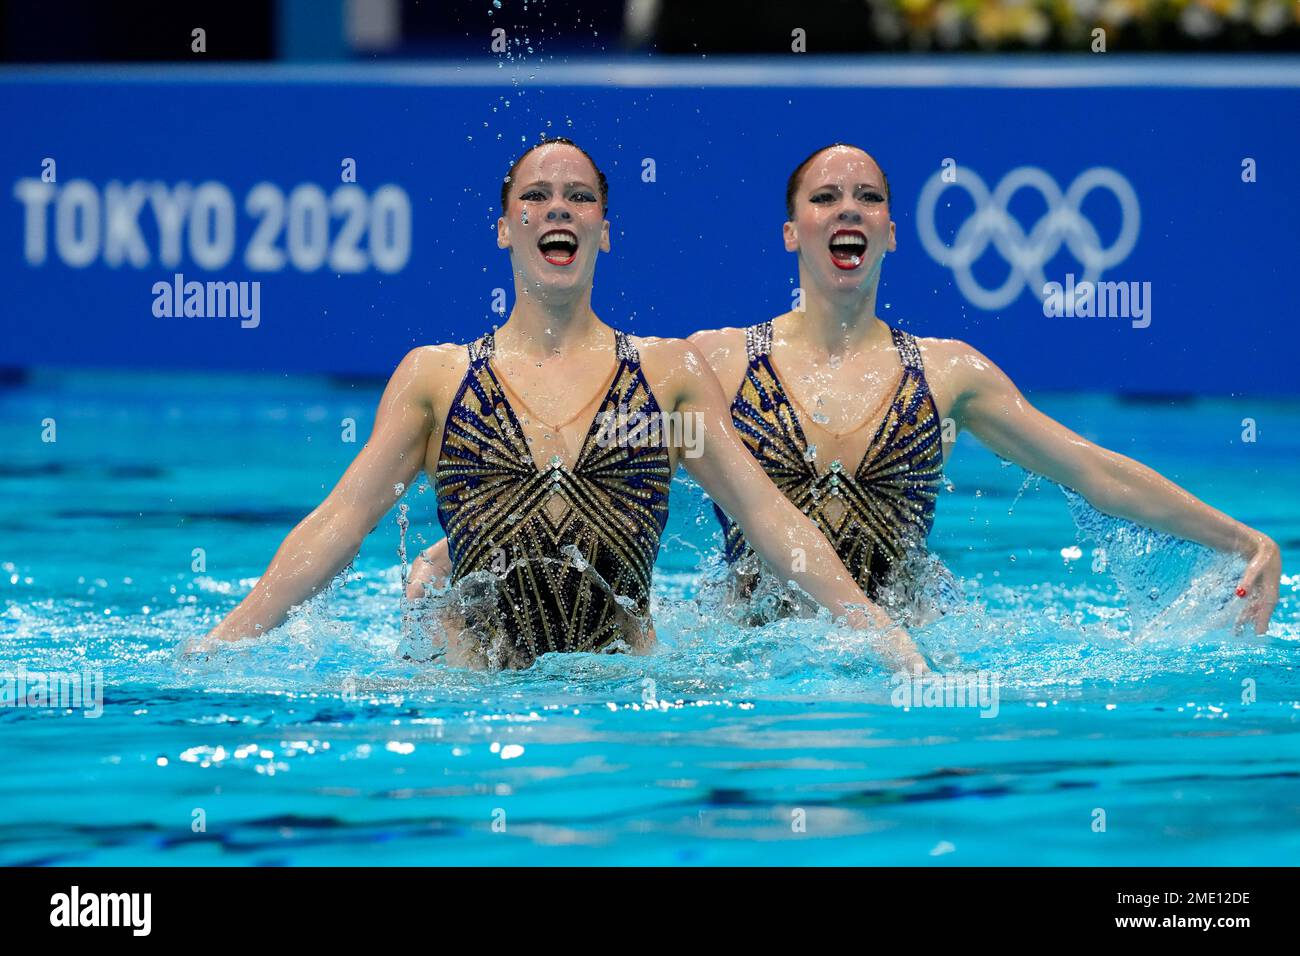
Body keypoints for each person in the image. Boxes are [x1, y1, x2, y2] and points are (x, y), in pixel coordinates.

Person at [200, 138, 928, 672]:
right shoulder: (435, 378)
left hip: (627, 702)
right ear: (504, 227)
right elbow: (340, 521)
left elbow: (766, 515)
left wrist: (878, 632)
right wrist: (226, 643)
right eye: (537, 196)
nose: (560, 209)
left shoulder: (667, 374)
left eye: (581, 198)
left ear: (604, 232)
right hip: (473, 706)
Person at [688, 143, 1280, 633]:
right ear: (791, 233)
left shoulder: (948, 374)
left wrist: (1245, 540)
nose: (850, 209)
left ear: (891, 233)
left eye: (868, 198)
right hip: (756, 662)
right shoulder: (720, 362)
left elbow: (1094, 472)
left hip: (908, 663)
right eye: (826, 198)